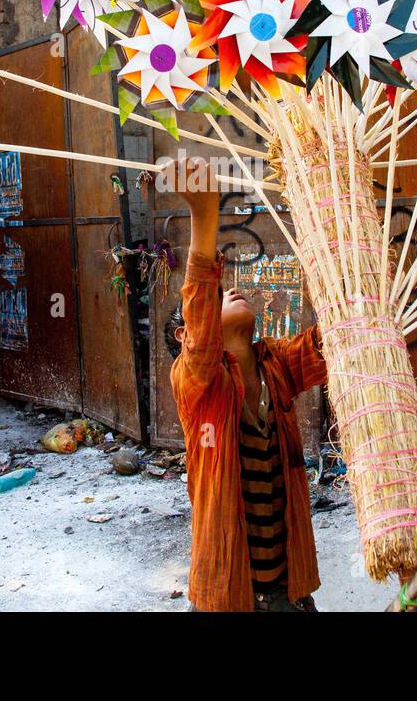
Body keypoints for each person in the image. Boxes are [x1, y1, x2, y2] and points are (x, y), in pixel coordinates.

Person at [162, 157, 327, 612]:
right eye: (219, 295)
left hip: (291, 591)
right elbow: (199, 332)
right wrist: (203, 214)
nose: (230, 291)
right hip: (230, 593)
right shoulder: (198, 385)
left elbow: (333, 342)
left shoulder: (276, 364)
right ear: (184, 335)